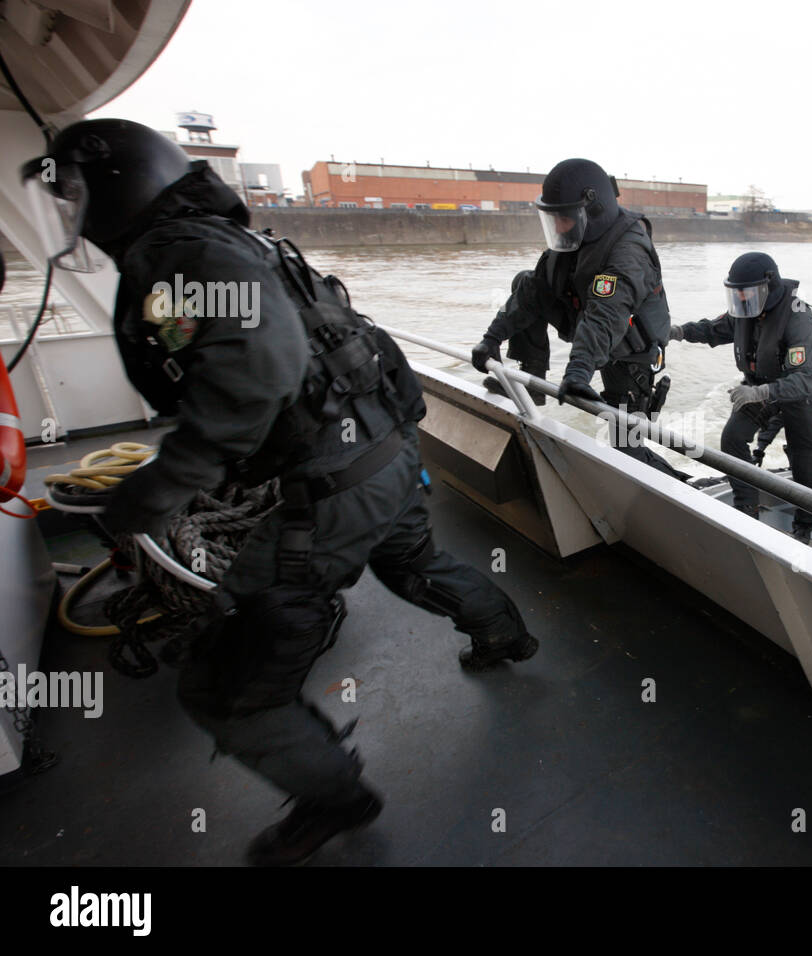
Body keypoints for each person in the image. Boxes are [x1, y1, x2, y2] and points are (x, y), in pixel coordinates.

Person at [22, 119, 537, 865]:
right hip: (385, 452)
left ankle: (338, 797)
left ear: (112, 184)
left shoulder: (178, 256)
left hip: (329, 491)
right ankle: (505, 633)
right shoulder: (236, 243)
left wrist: (151, 494)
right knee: (412, 561)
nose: (68, 208)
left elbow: (256, 372)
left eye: (71, 191)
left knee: (230, 688)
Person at [471, 158, 679, 477]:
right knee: (525, 280)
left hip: (630, 351)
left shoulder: (629, 249)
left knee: (626, 446)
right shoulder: (574, 236)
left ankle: (685, 487)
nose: (557, 227)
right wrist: (492, 337)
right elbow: (534, 291)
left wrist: (578, 370)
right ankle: (534, 381)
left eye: (562, 218)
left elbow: (606, 314)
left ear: (591, 212)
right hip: (589, 325)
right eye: (552, 218)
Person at [669, 253, 812, 543]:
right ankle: (747, 508)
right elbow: (713, 328)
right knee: (732, 438)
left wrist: (759, 392)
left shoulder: (798, 315)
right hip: (761, 388)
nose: (742, 298)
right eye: (737, 292)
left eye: (748, 292)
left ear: (769, 287)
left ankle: (804, 528)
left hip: (799, 395)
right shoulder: (744, 310)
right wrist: (679, 332)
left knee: (805, 466)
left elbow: (807, 379)